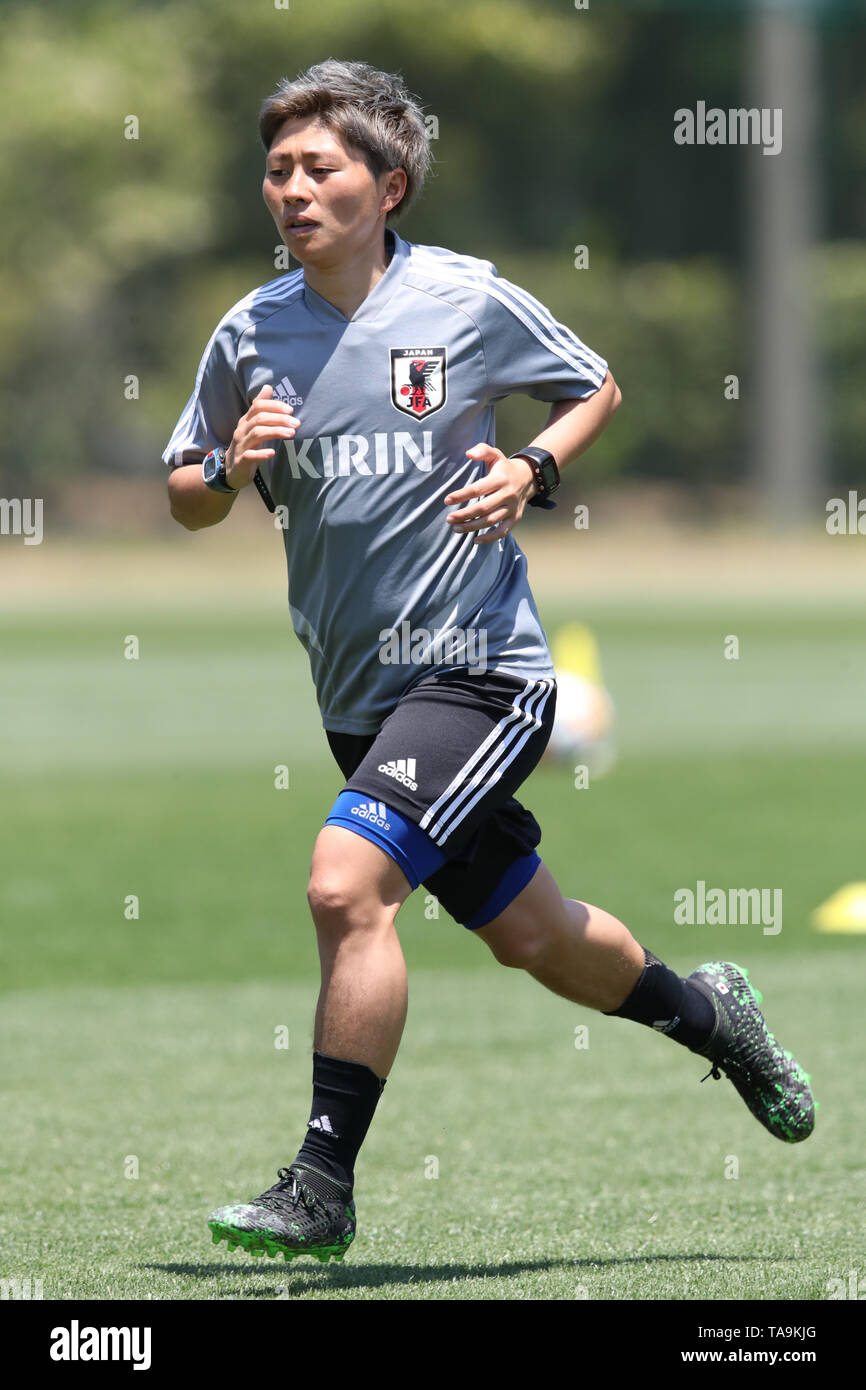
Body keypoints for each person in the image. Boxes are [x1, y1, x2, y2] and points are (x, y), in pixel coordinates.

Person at [163, 59, 815, 1266]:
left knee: (342, 883)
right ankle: (717, 1018)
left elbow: (593, 383)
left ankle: (319, 1184)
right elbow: (185, 494)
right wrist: (228, 468)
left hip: (482, 673)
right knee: (540, 940)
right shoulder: (249, 332)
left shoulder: (464, 301)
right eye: (277, 171)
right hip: (358, 700)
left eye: (320, 168)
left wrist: (533, 472)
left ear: (388, 185)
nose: (291, 190)